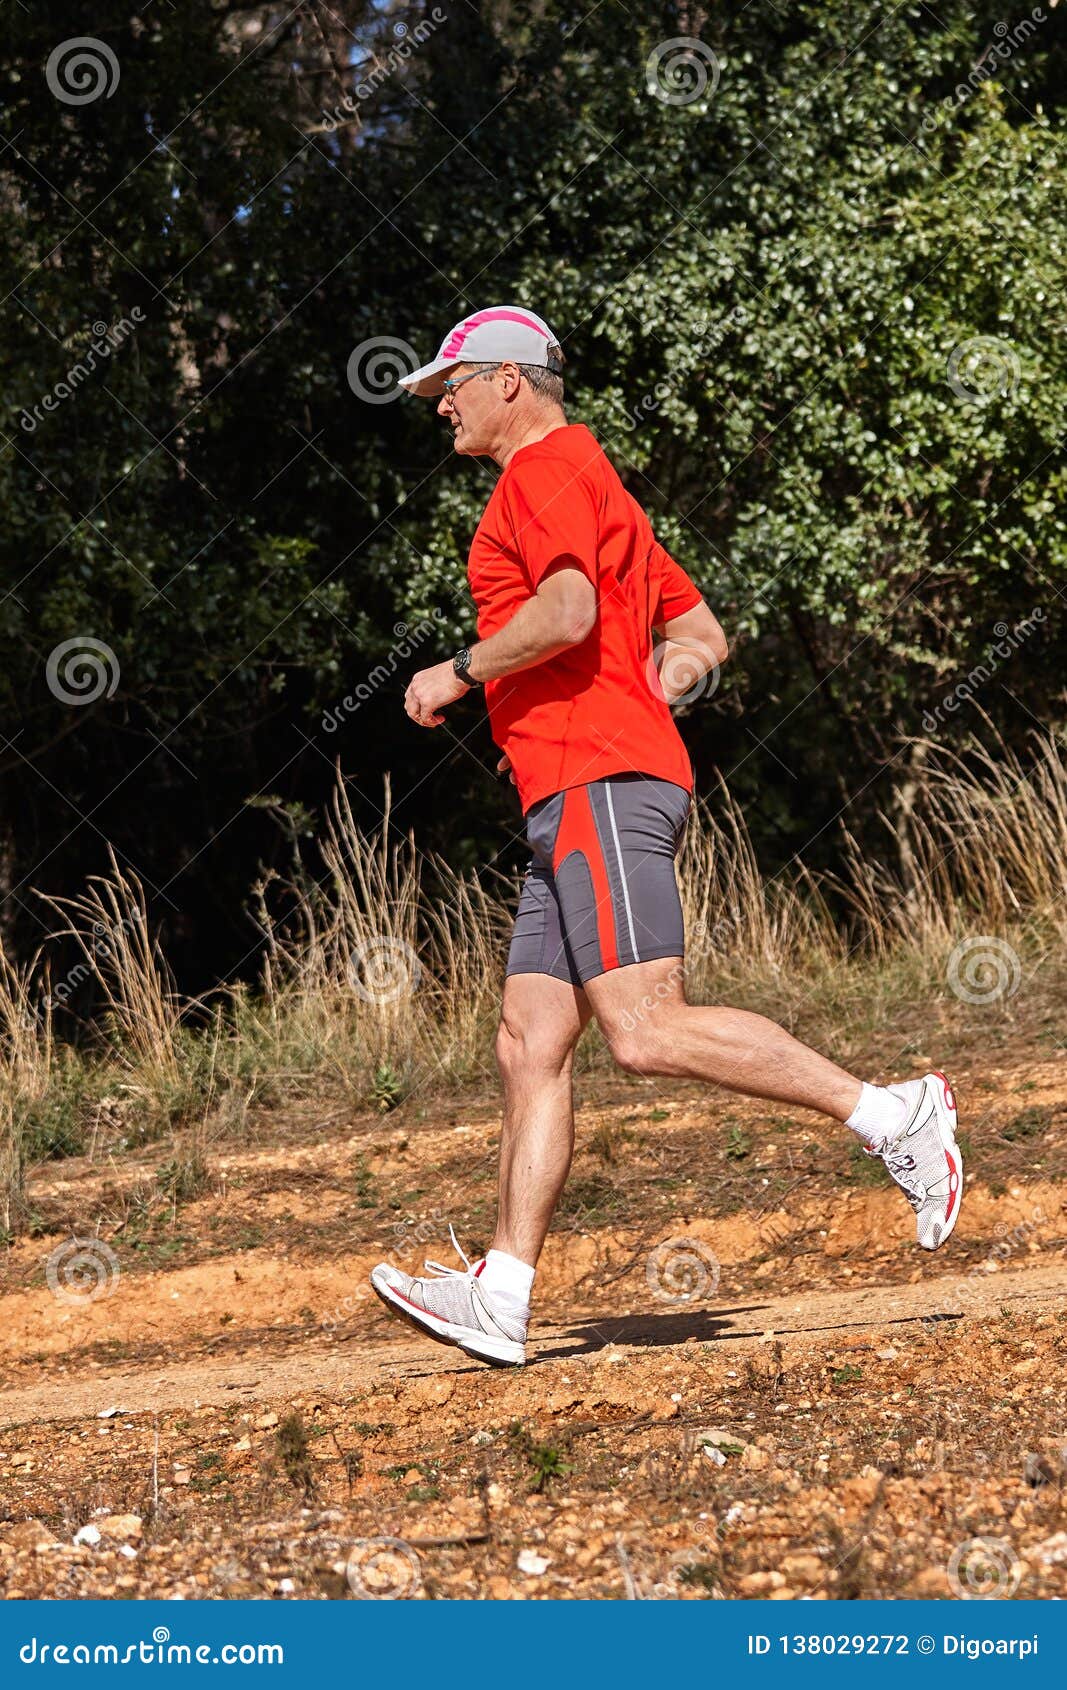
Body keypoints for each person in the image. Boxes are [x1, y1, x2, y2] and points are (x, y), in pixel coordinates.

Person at [370, 305, 962, 1367]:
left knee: (642, 1029)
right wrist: (634, 699)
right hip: (571, 786)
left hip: (595, 783)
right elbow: (698, 635)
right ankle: (502, 1293)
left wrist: (458, 673)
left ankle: (893, 1114)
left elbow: (564, 615)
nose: (439, 406)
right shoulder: (597, 483)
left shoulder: (542, 470)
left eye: (448, 386)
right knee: (527, 1040)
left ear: (509, 381)